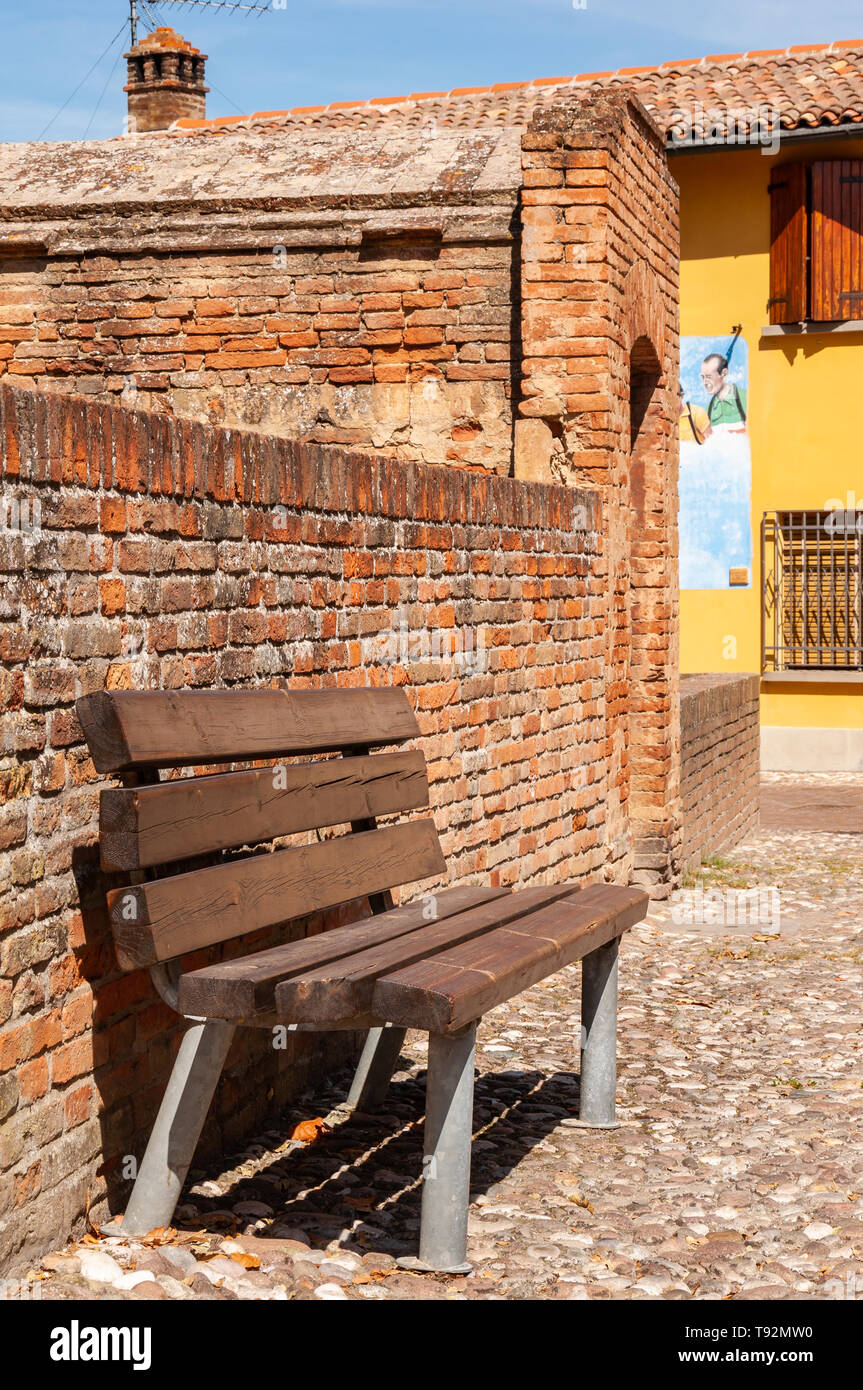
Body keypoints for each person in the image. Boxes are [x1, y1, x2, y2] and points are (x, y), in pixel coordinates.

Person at [700, 352, 747, 429]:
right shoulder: (708, 410)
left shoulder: (745, 398)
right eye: (703, 377)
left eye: (708, 377)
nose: (704, 382)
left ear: (724, 373)